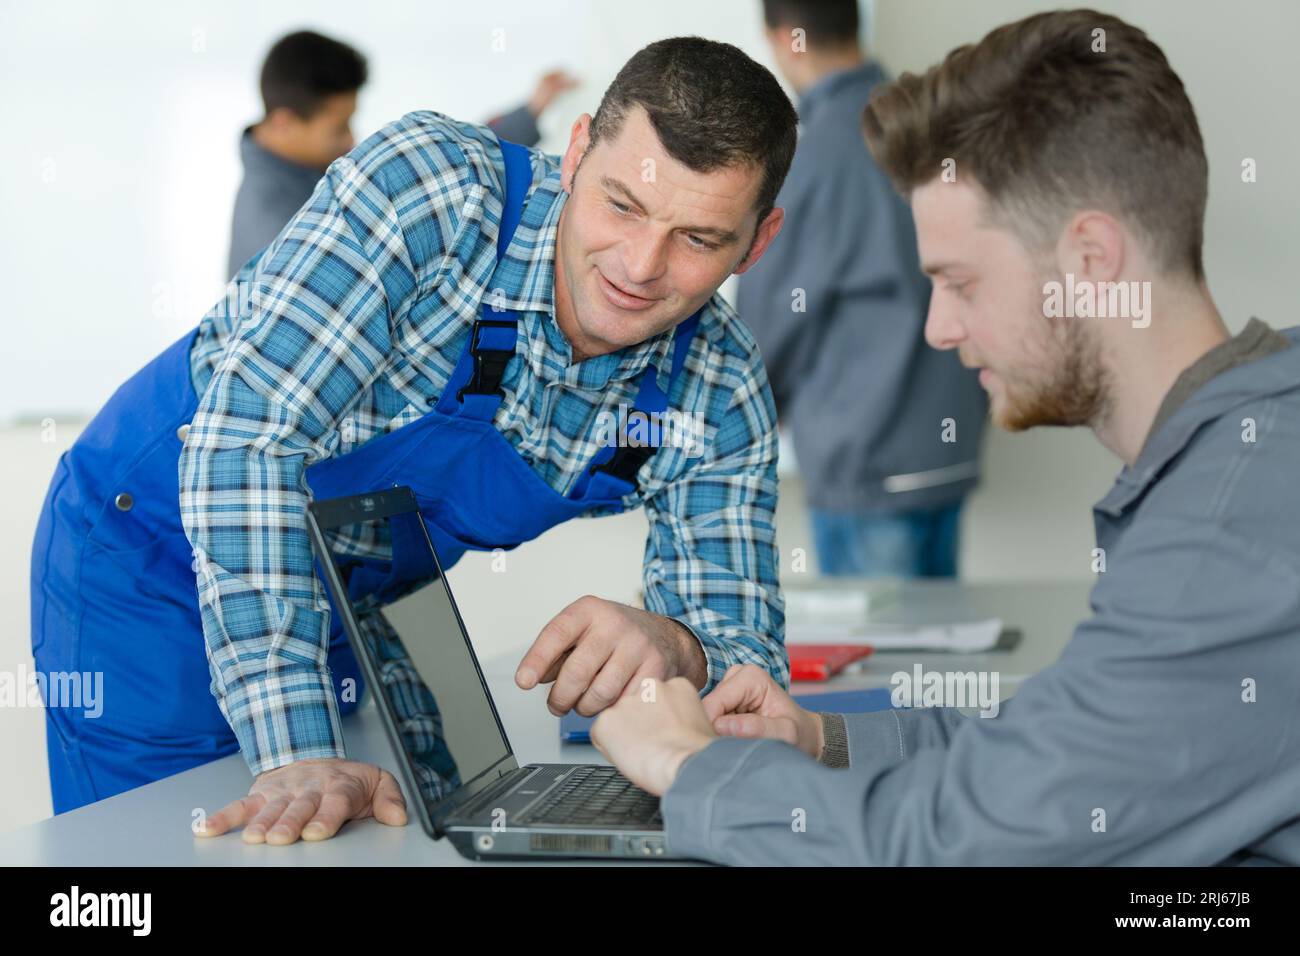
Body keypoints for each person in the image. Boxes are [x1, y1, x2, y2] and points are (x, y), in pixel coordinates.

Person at [30, 37, 798, 843]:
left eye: (699, 239)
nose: (640, 267)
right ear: (575, 153)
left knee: (341, 839)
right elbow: (248, 442)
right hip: (144, 564)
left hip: (335, 597)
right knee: (162, 848)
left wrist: (678, 642)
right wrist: (298, 750)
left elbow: (747, 662)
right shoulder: (434, 194)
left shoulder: (714, 388)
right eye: (623, 205)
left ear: (759, 239)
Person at [590, 9, 1300, 866]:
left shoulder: (1226, 531)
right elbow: (1065, 751)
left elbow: (956, 849)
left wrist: (690, 763)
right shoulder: (1250, 454)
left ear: (1092, 259)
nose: (936, 328)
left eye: (958, 281)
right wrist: (821, 740)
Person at [739, 0, 986, 577]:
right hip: (947, 445)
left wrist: (748, 405)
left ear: (784, 38)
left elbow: (772, 317)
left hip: (868, 459)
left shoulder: (813, 151)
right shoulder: (928, 123)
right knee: (934, 655)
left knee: (879, 662)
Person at [227, 29, 577, 276]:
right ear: (284, 122)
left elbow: (430, 168)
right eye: (338, 128)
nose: (351, 139)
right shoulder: (276, 221)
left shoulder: (308, 168)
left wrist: (531, 110)